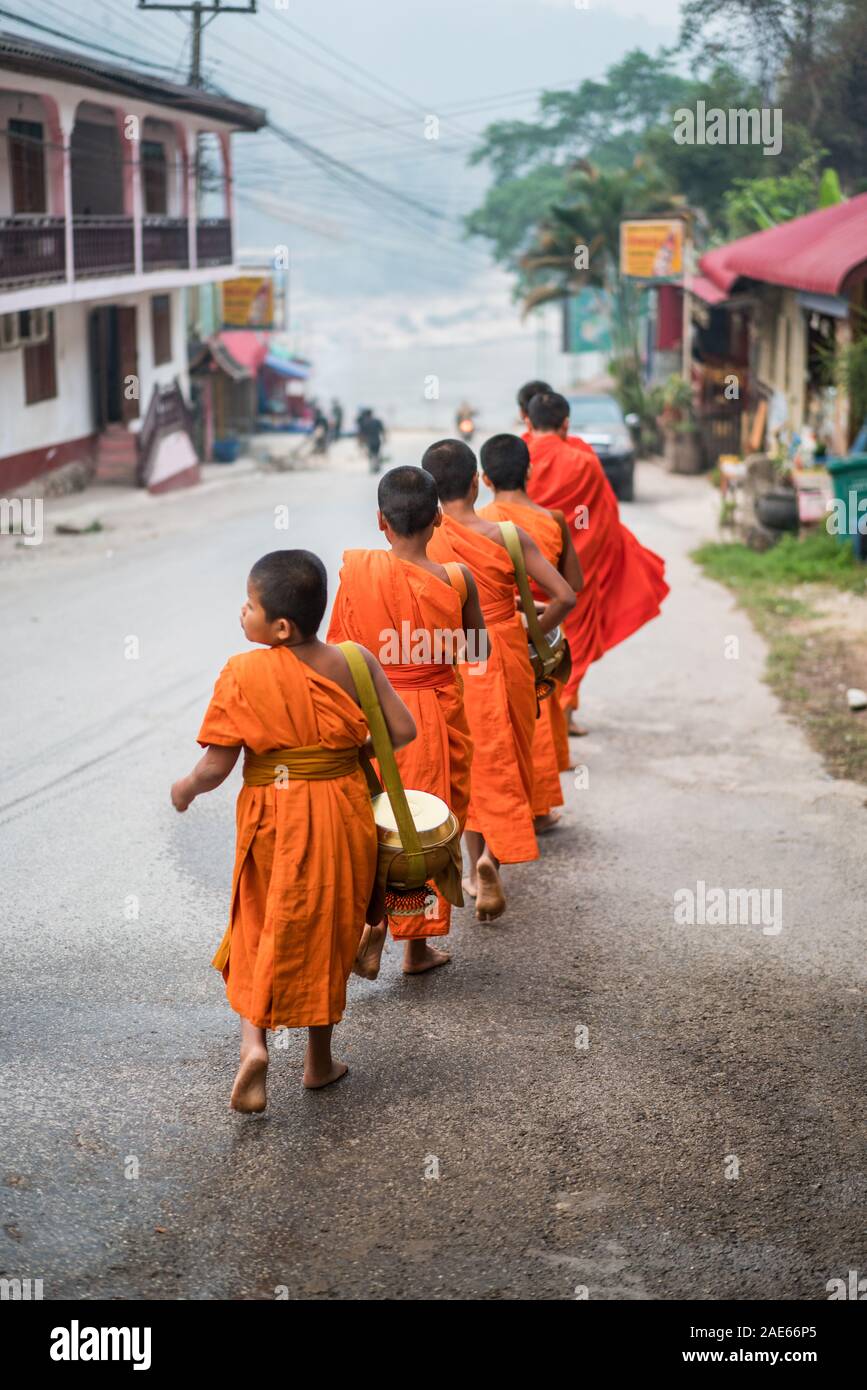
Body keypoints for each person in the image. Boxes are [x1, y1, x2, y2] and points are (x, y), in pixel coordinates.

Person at [170, 550, 416, 1112]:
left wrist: (184, 789)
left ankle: (253, 1046)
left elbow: (216, 766)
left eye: (249, 605)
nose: (242, 612)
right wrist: (339, 749)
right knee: (329, 926)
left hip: (270, 816)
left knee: (259, 920)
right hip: (341, 811)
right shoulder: (355, 662)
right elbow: (402, 730)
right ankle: (318, 1063)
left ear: (278, 627)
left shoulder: (243, 672)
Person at [328, 466, 486, 974]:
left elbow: (339, 649)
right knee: (426, 826)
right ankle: (414, 948)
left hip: (377, 717)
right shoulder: (457, 578)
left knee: (377, 824)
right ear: (439, 518)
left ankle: (371, 925)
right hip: (435, 718)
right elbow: (477, 648)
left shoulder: (357, 573)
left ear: (381, 521)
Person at [423, 439, 575, 921]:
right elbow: (566, 596)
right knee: (508, 752)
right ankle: (494, 858)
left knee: (468, 761)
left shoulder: (424, 541)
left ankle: (471, 868)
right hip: (505, 653)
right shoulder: (507, 536)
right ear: (475, 482)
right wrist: (528, 629)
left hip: (454, 657)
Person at [520, 387, 669, 734]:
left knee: (524, 643)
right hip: (572, 570)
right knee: (572, 638)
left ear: (528, 420)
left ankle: (530, 717)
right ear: (566, 423)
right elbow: (602, 516)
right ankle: (564, 712)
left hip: (522, 568)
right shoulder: (583, 460)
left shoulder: (518, 454)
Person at [478, 433, 583, 834]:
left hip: (492, 631)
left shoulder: (478, 525)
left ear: (484, 479)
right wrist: (539, 625)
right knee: (536, 714)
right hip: (543, 628)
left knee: (496, 722)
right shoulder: (552, 520)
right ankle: (537, 808)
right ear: (529, 471)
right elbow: (573, 584)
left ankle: (497, 811)